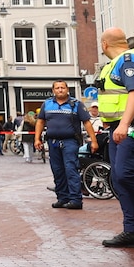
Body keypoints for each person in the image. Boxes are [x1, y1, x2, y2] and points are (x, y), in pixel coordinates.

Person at [97, 27, 134, 247]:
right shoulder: (113, 64)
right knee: (118, 177)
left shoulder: (128, 60)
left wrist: (124, 124)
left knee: (125, 174)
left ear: (104, 44)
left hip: (133, 127)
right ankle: (133, 231)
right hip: (119, 129)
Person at [35, 80, 96, 210]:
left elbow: (87, 122)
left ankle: (75, 200)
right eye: (57, 88)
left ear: (67, 89)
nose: (60, 90)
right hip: (53, 142)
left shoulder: (76, 104)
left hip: (70, 142)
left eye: (62, 87)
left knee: (71, 169)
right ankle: (62, 198)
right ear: (53, 90)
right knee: (57, 171)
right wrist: (37, 139)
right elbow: (40, 122)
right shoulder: (47, 104)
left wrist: (94, 140)